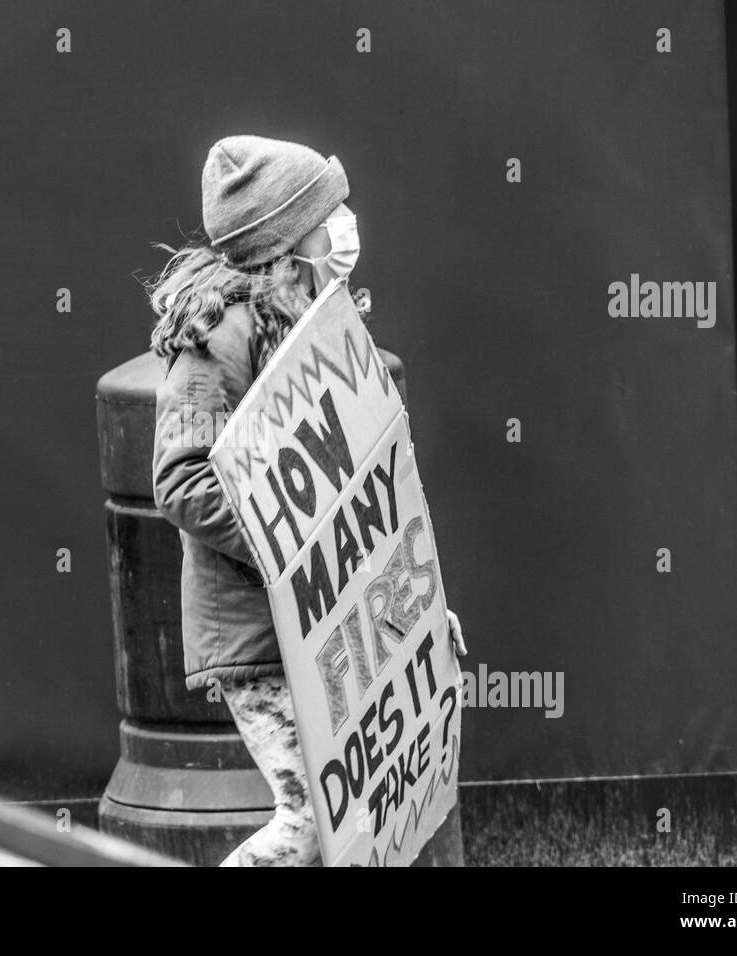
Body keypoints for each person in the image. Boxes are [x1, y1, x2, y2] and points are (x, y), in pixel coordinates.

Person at [145, 134, 466, 867]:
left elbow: (357, 493)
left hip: (330, 623)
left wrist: (411, 609)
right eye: (331, 213)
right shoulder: (217, 336)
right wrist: (295, 560)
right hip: (264, 636)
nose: (346, 226)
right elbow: (183, 481)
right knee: (319, 823)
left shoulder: (311, 320)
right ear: (289, 237)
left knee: (363, 820)